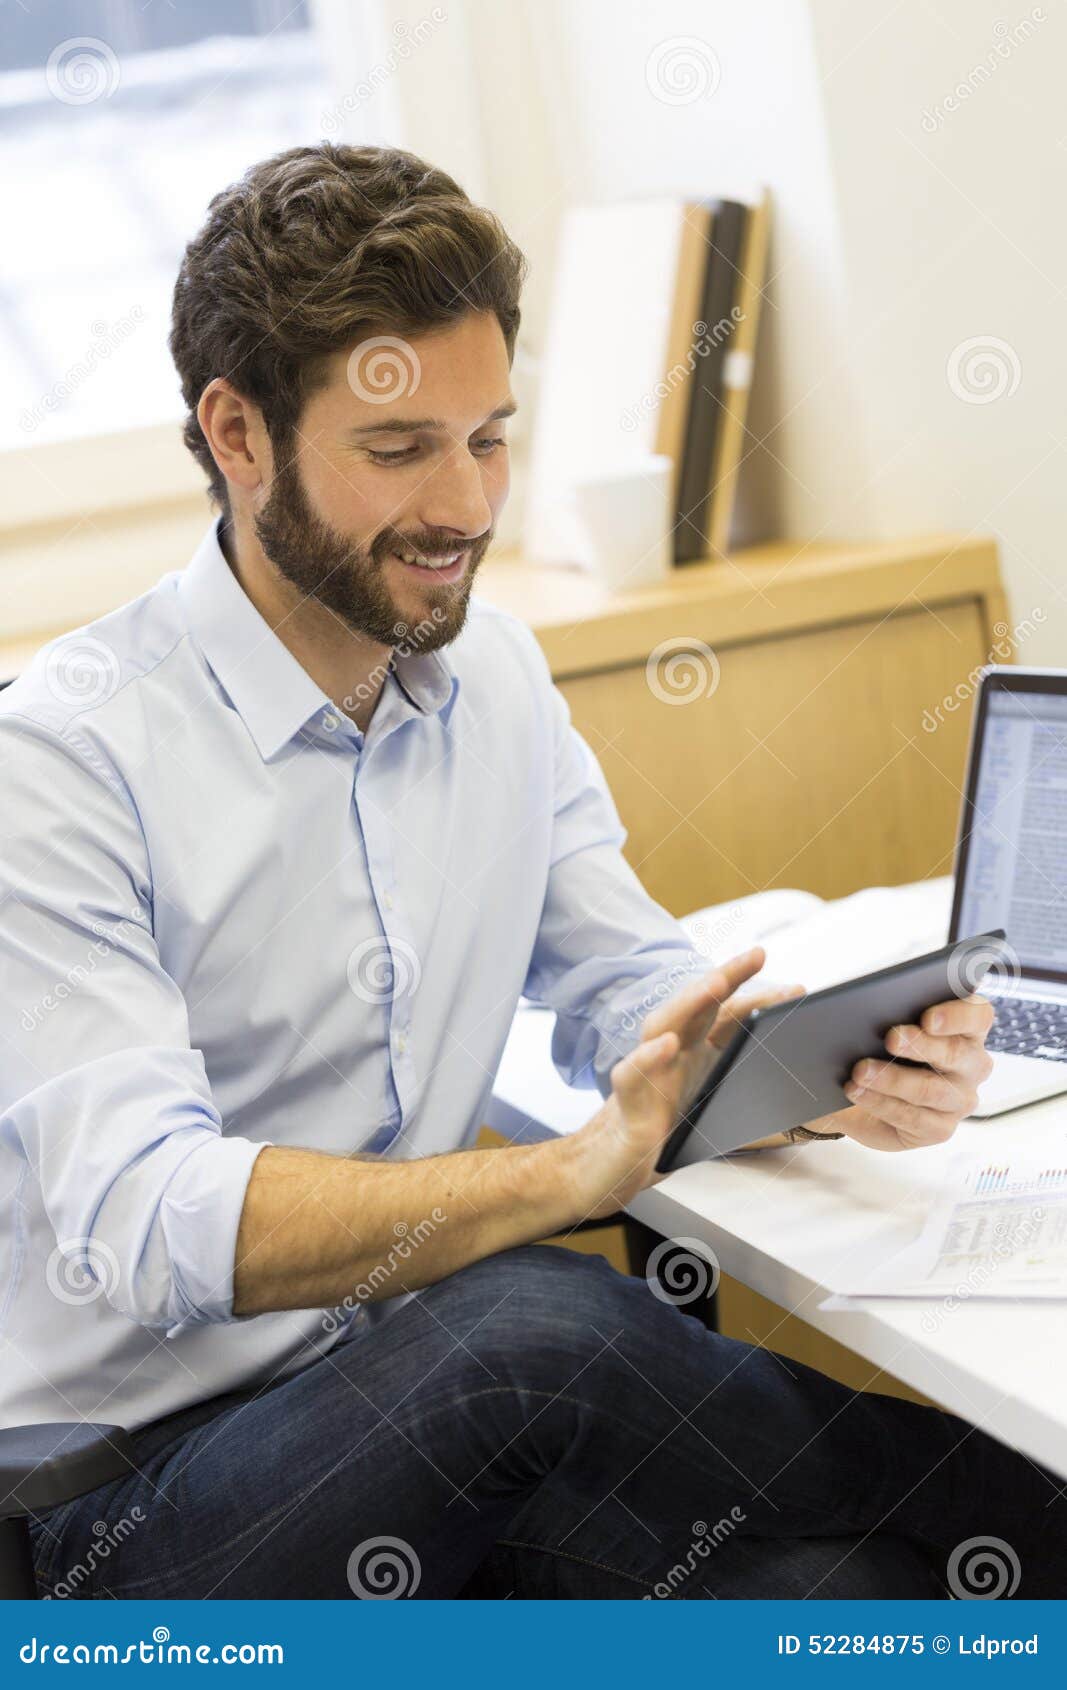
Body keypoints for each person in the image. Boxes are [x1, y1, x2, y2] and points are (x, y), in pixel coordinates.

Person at [3, 144, 1059, 1601]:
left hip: (435, 1430)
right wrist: (568, 1171)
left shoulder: (488, 673)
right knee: (536, 1316)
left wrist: (822, 1063)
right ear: (236, 434)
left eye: (488, 435)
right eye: (398, 450)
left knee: (870, 1588)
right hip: (136, 1504)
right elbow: (153, 1222)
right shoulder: (61, 754)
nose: (463, 506)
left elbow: (625, 992)